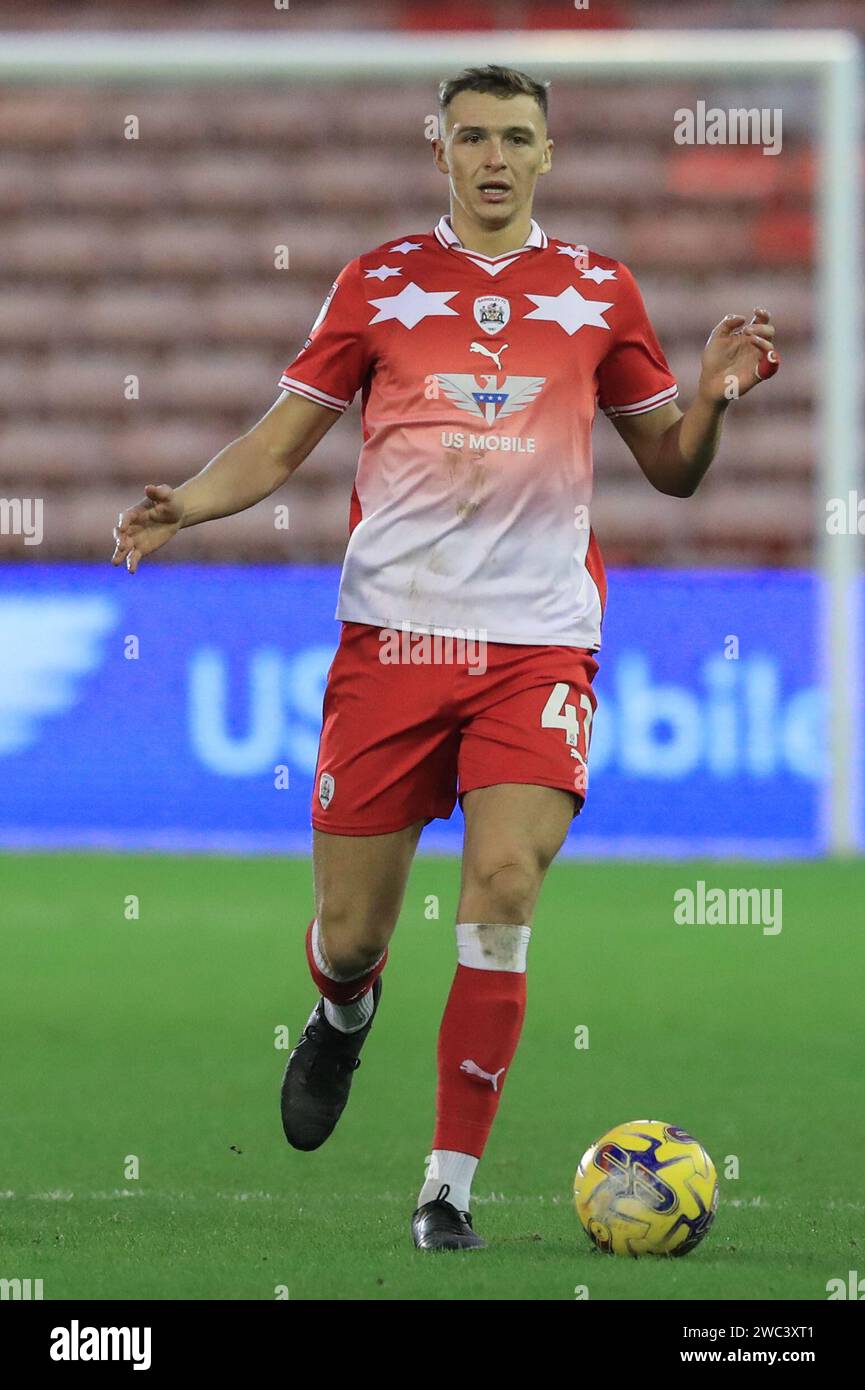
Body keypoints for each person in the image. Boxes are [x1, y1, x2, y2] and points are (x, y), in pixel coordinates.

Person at [111, 64, 778, 1251]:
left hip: (538, 648)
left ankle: (446, 1187)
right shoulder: (378, 284)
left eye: (517, 137)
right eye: (472, 136)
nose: (495, 156)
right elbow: (278, 447)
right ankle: (342, 1008)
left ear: (546, 158)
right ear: (440, 155)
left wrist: (715, 403)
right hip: (394, 643)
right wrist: (190, 507)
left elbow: (668, 467)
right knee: (354, 930)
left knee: (505, 888)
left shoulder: (596, 293)